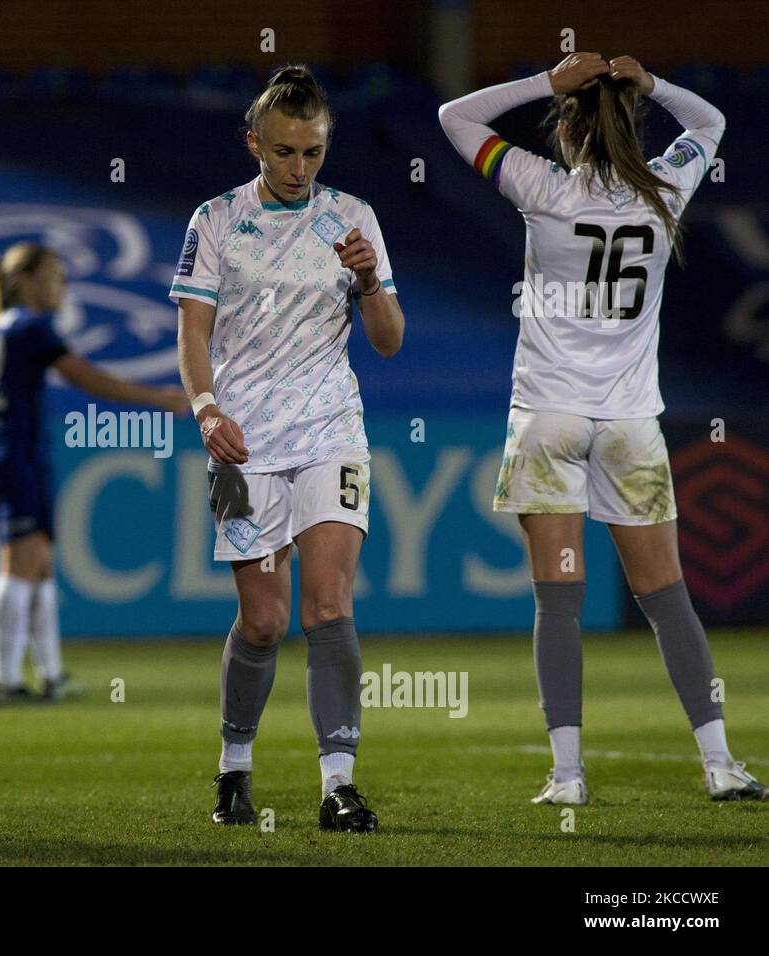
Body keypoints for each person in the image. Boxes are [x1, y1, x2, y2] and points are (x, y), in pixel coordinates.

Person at [439, 53, 764, 804]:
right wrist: (652, 83)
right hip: (630, 424)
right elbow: (709, 120)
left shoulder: (542, 186)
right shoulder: (666, 187)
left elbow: (454, 118)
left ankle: (568, 777)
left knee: (559, 599)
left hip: (549, 418)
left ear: (566, 131)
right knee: (668, 595)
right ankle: (719, 763)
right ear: (630, 124)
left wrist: (544, 82)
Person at [173, 65, 405, 833]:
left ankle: (339, 784)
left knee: (329, 604)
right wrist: (206, 412)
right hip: (242, 447)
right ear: (254, 144)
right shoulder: (214, 220)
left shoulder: (353, 220)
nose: (300, 168)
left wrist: (370, 282)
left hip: (330, 433)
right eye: (284, 153)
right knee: (266, 619)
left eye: (312, 152)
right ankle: (234, 767)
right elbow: (193, 334)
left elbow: (389, 343)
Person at [0, 242, 188, 704]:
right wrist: (158, 398)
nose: (62, 285)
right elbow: (84, 375)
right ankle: (4, 681)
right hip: (14, 452)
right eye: (55, 275)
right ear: (24, 280)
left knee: (40, 564)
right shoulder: (29, 329)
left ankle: (50, 674)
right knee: (19, 563)